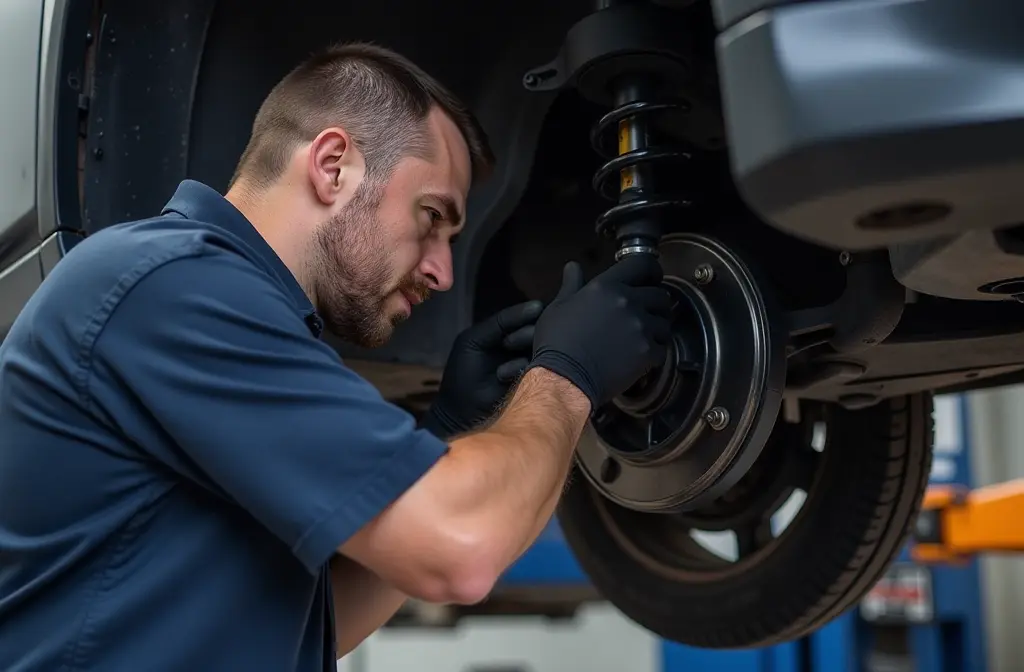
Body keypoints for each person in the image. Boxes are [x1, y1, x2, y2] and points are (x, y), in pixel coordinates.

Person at [0, 43, 672, 671]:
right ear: (333, 166)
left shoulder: (206, 304)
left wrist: (446, 430)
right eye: (433, 217)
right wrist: (567, 377)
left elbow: (313, 629)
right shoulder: (170, 284)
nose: (442, 272)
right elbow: (461, 551)